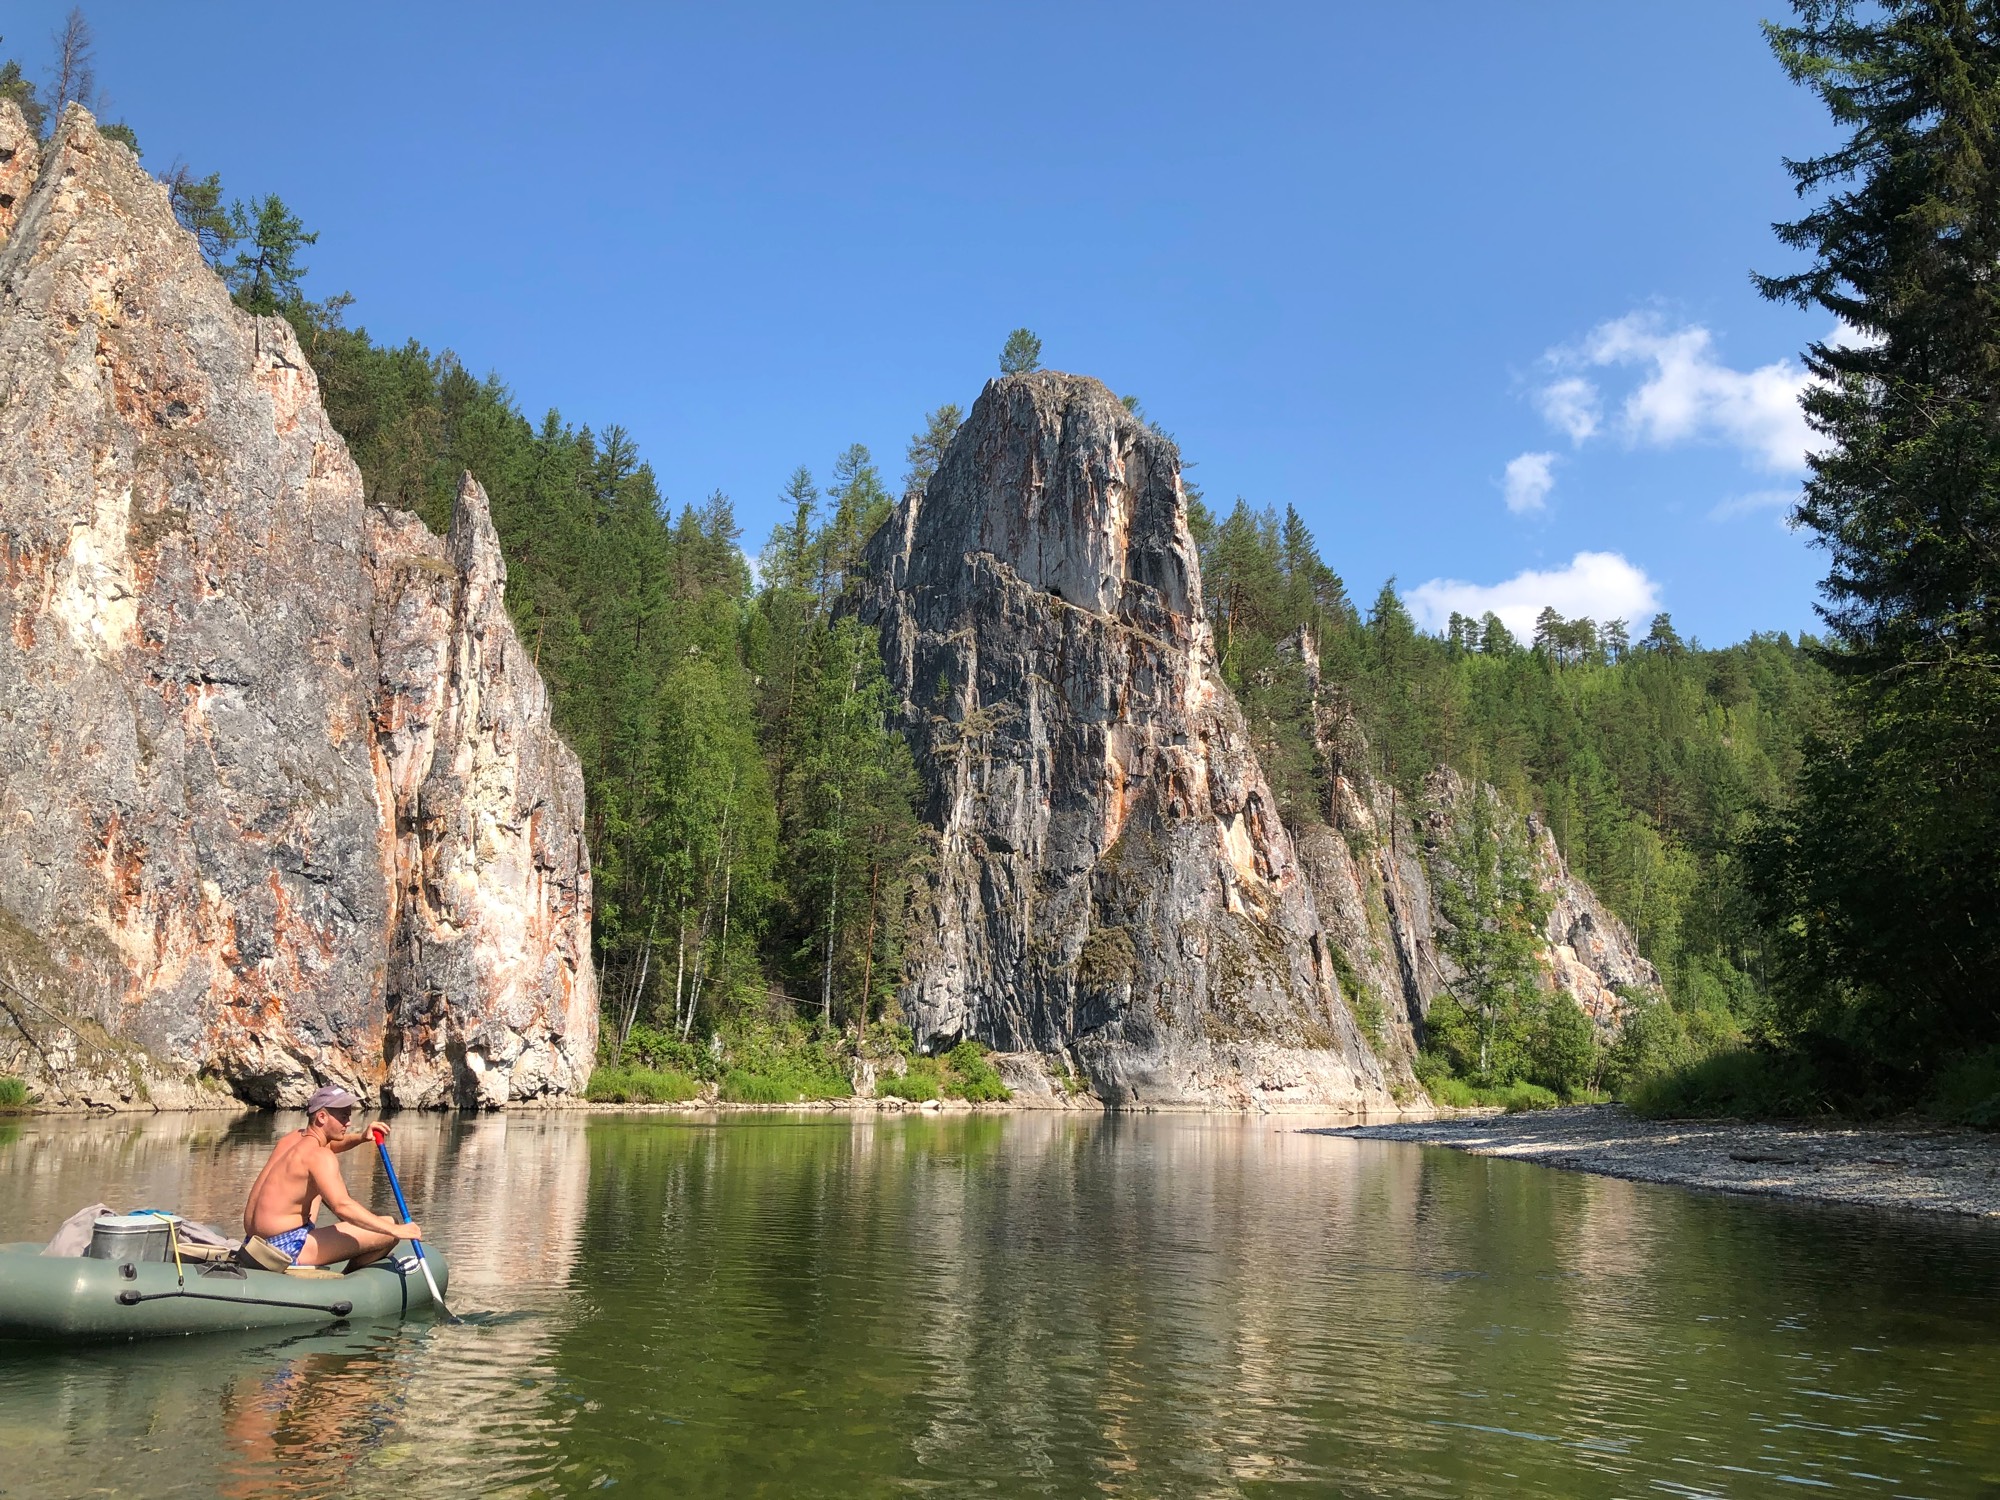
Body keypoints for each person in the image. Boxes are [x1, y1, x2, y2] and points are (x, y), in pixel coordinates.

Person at [242, 1085, 420, 1270]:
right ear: (321, 1117)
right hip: (286, 1247)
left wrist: (361, 1137)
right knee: (389, 1227)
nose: (348, 1122)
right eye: (343, 1116)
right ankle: (348, 1279)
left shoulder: (291, 1140)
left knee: (318, 1188)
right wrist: (397, 1231)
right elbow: (342, 1206)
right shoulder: (320, 1158)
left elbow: (331, 1145)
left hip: (254, 1243)